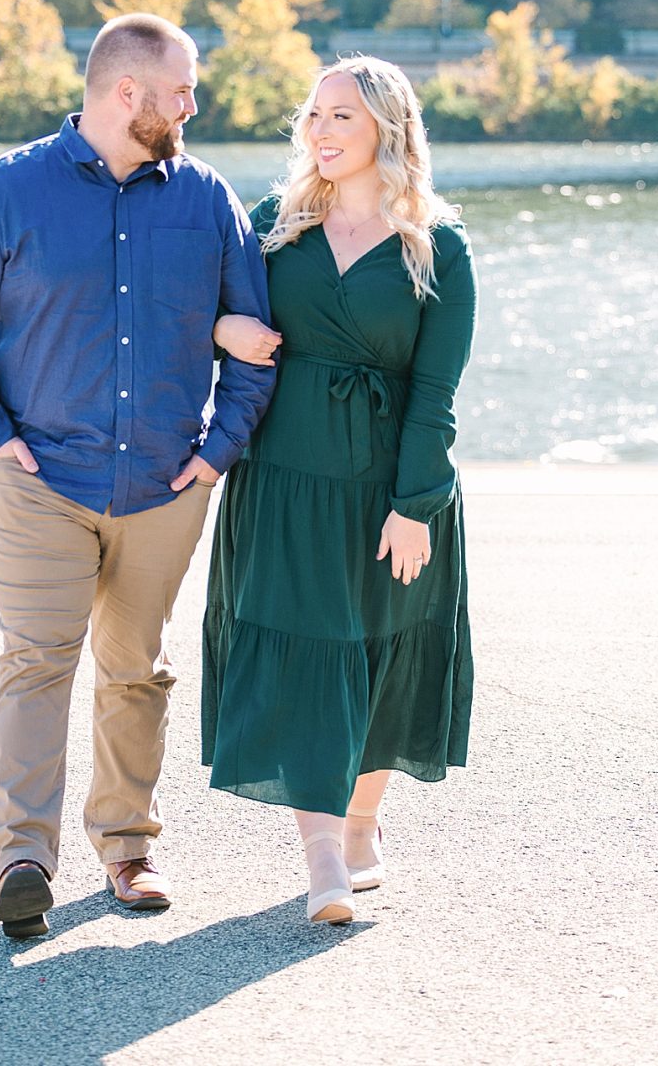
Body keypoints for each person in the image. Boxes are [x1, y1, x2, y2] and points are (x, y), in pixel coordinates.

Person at [0, 13, 276, 940]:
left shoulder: (208, 201)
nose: (194, 105)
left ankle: (126, 847)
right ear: (128, 95)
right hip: (40, 480)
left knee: (135, 672)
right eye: (182, 89)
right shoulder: (4, 193)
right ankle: (22, 859)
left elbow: (255, 342)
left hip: (166, 484)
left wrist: (217, 452)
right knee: (37, 662)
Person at [203, 56, 477, 925]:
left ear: (387, 132)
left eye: (341, 118)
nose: (319, 132)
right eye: (314, 116)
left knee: (383, 651)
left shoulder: (438, 246)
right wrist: (221, 326)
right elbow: (198, 314)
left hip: (391, 487)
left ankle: (361, 825)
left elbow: (437, 390)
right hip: (284, 480)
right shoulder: (273, 227)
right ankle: (321, 857)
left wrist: (416, 504)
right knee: (303, 657)